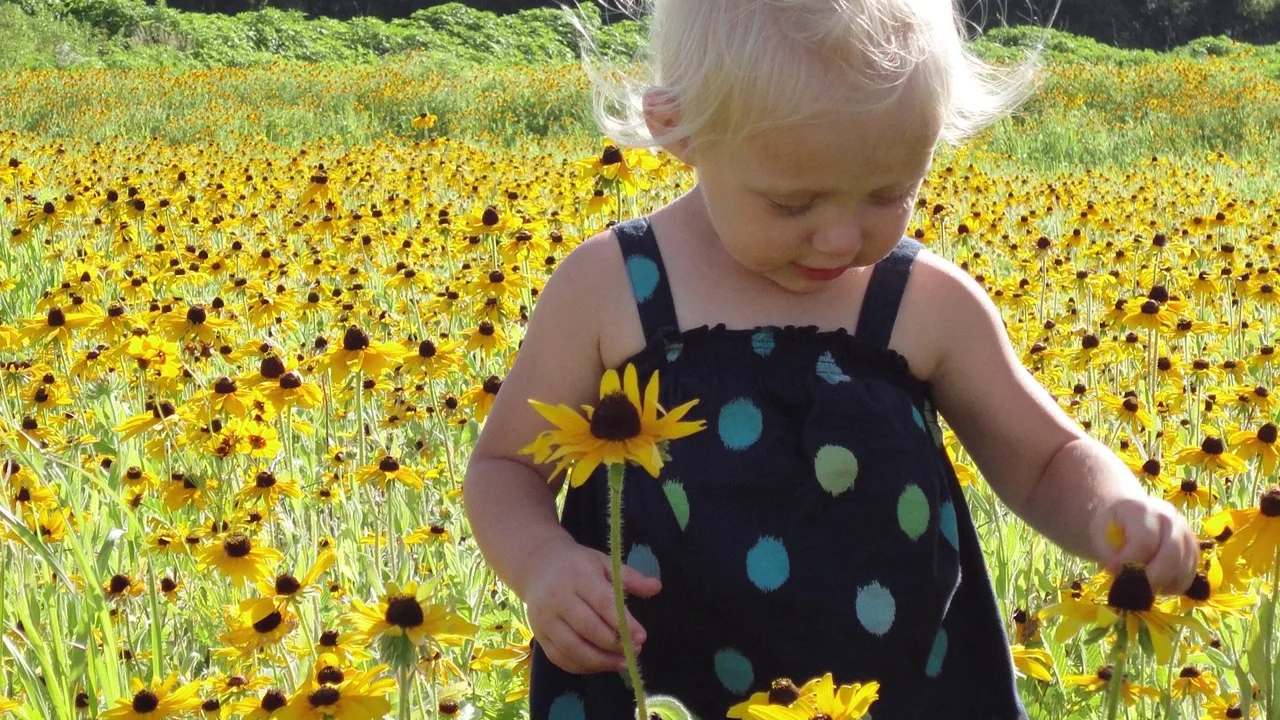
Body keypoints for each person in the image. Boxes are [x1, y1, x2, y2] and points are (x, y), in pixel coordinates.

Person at [463, 0, 1200, 717]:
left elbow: (1044, 460)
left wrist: (1119, 511)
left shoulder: (923, 304)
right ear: (678, 129)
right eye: (794, 205)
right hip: (659, 686)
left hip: (904, 692)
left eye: (889, 193)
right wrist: (542, 565)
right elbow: (507, 470)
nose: (842, 240)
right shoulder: (612, 290)